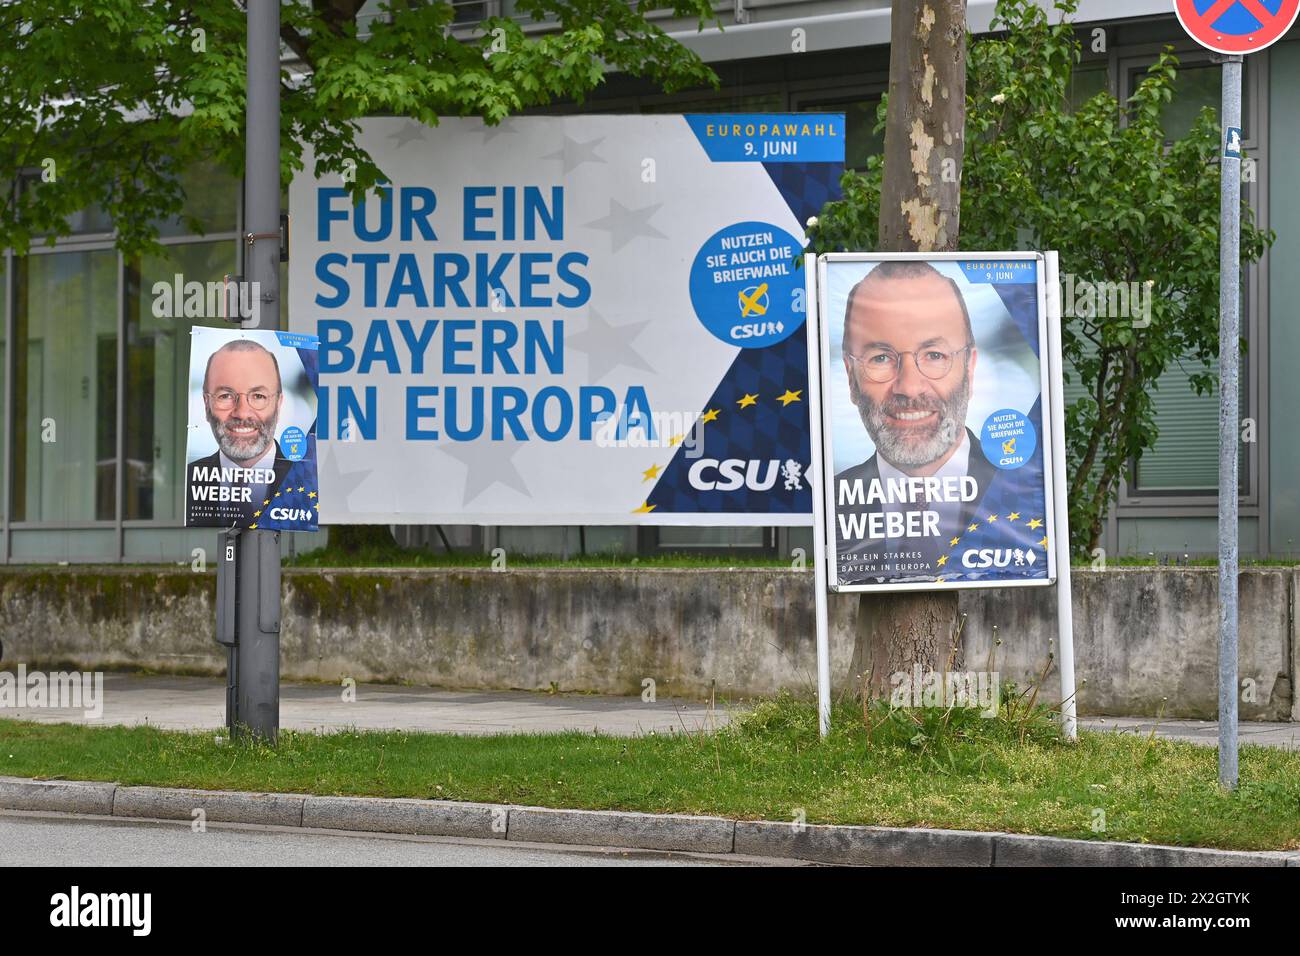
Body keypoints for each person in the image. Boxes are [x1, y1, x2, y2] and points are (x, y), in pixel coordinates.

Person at [833, 260, 995, 578]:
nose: (908, 387)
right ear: (851, 378)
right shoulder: (833, 502)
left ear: (970, 369)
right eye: (880, 357)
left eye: (935, 355)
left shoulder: (1017, 490)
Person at [185, 339, 291, 527]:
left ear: (279, 404)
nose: (242, 413)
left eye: (258, 396)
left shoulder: (301, 480)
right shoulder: (187, 484)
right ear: (206, 404)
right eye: (225, 396)